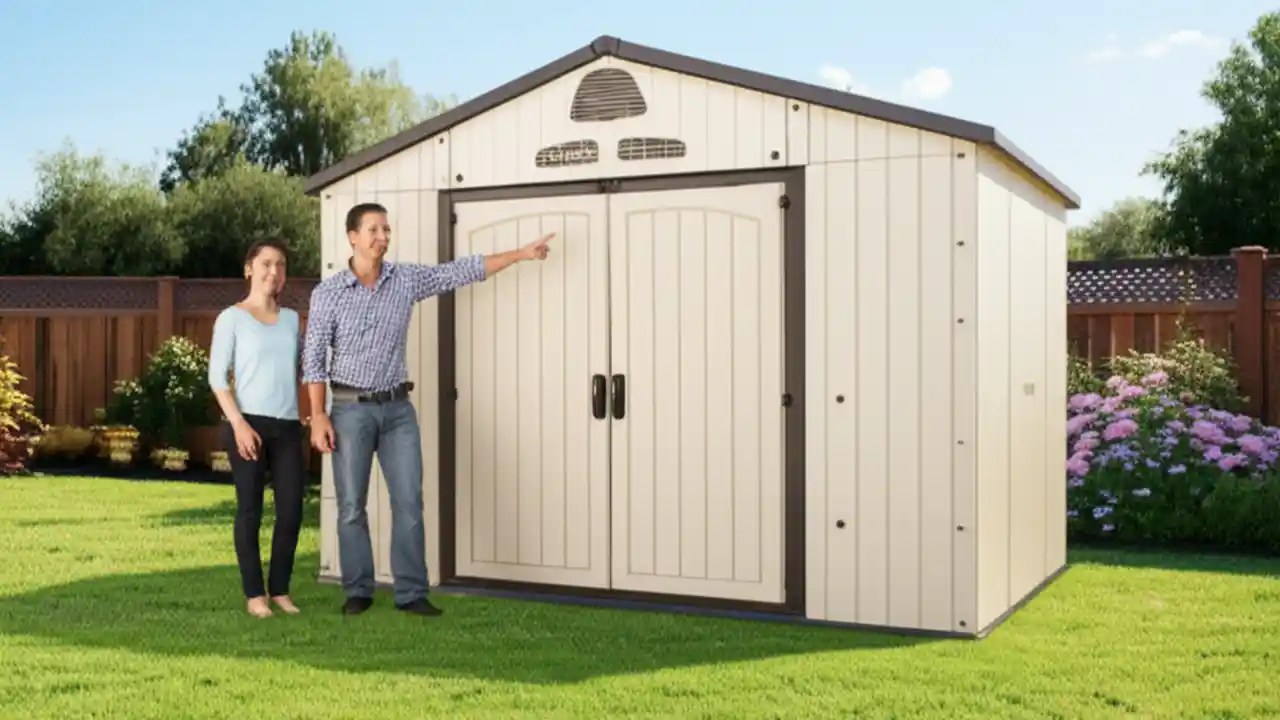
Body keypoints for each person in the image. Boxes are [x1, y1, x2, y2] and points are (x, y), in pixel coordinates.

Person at [302, 202, 553, 617]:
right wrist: (318, 416)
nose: (383, 236)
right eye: (373, 230)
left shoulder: (405, 280)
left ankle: (412, 593)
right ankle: (358, 590)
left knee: (408, 502)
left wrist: (521, 254)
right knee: (350, 506)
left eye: (386, 228)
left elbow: (461, 271)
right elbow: (313, 360)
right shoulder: (328, 293)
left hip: (399, 410)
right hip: (349, 411)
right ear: (352, 237)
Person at [208, 239, 306, 619]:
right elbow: (217, 378)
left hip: (286, 426)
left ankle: (280, 589)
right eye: (266, 263)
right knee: (250, 511)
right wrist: (238, 425)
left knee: (291, 511)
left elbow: (301, 372)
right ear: (249, 268)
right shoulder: (231, 318)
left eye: (281, 265)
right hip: (245, 424)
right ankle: (255, 594)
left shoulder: (292, 321)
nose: (274, 271)